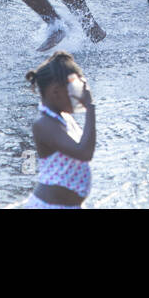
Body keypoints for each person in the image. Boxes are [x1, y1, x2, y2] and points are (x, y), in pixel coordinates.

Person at [24, 51, 95, 208]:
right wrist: (90, 107)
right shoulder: (44, 124)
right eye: (74, 89)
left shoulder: (64, 118)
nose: (79, 95)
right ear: (56, 92)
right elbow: (84, 152)